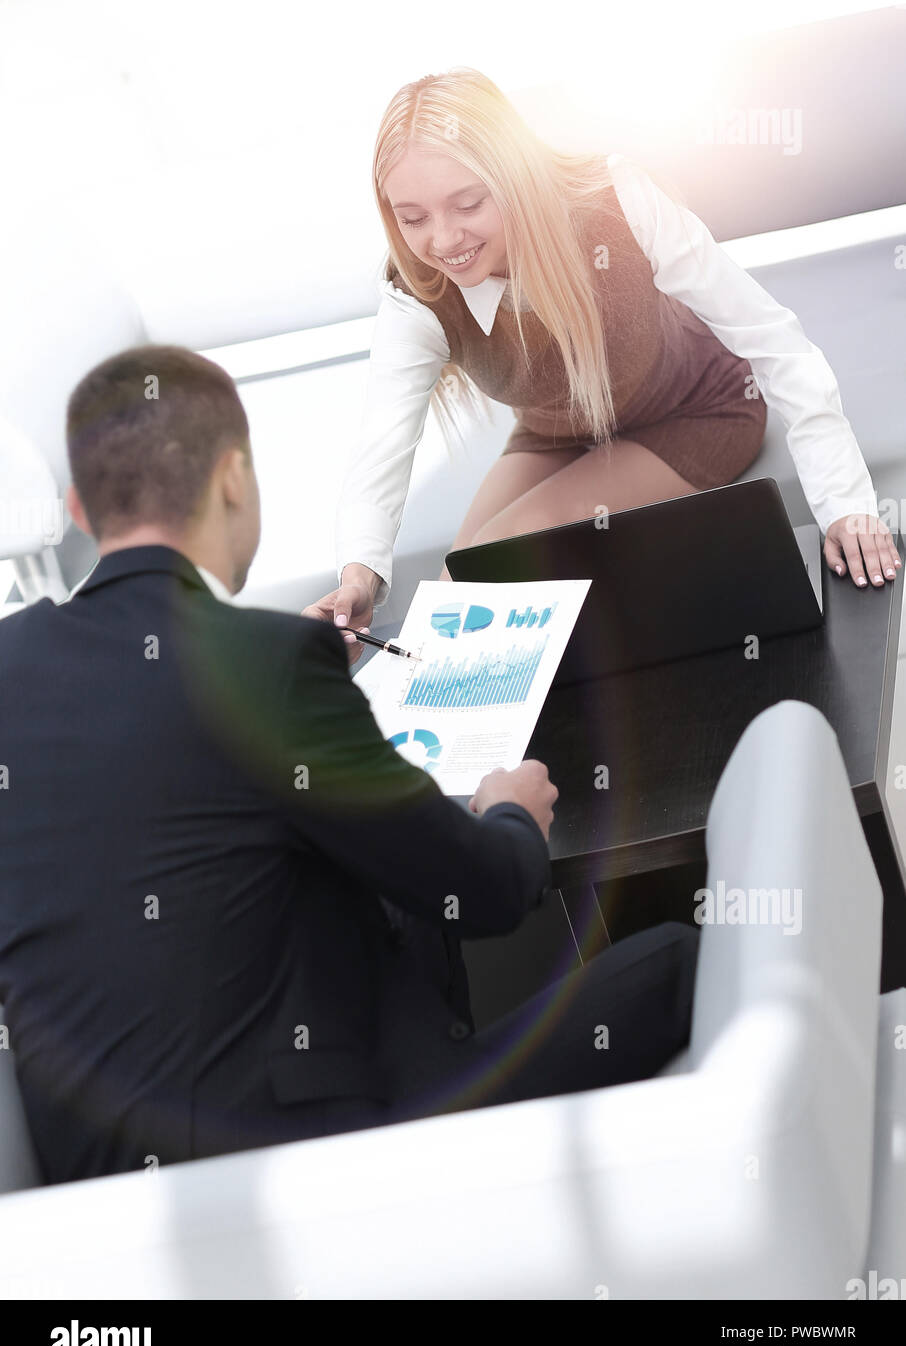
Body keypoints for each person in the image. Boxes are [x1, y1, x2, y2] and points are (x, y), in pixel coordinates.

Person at [0, 344, 698, 1185]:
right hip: (319, 1174)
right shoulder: (261, 664)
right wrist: (508, 812)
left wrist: (290, 688)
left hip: (92, 1193)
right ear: (233, 480)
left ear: (80, 509)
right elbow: (486, 893)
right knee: (674, 963)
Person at [308, 67, 898, 659]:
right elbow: (380, 451)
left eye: (467, 203)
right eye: (412, 219)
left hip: (697, 409)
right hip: (558, 433)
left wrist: (846, 507)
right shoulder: (416, 294)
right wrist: (358, 580)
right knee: (453, 591)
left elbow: (775, 342)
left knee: (490, 567)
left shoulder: (617, 199)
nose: (443, 240)